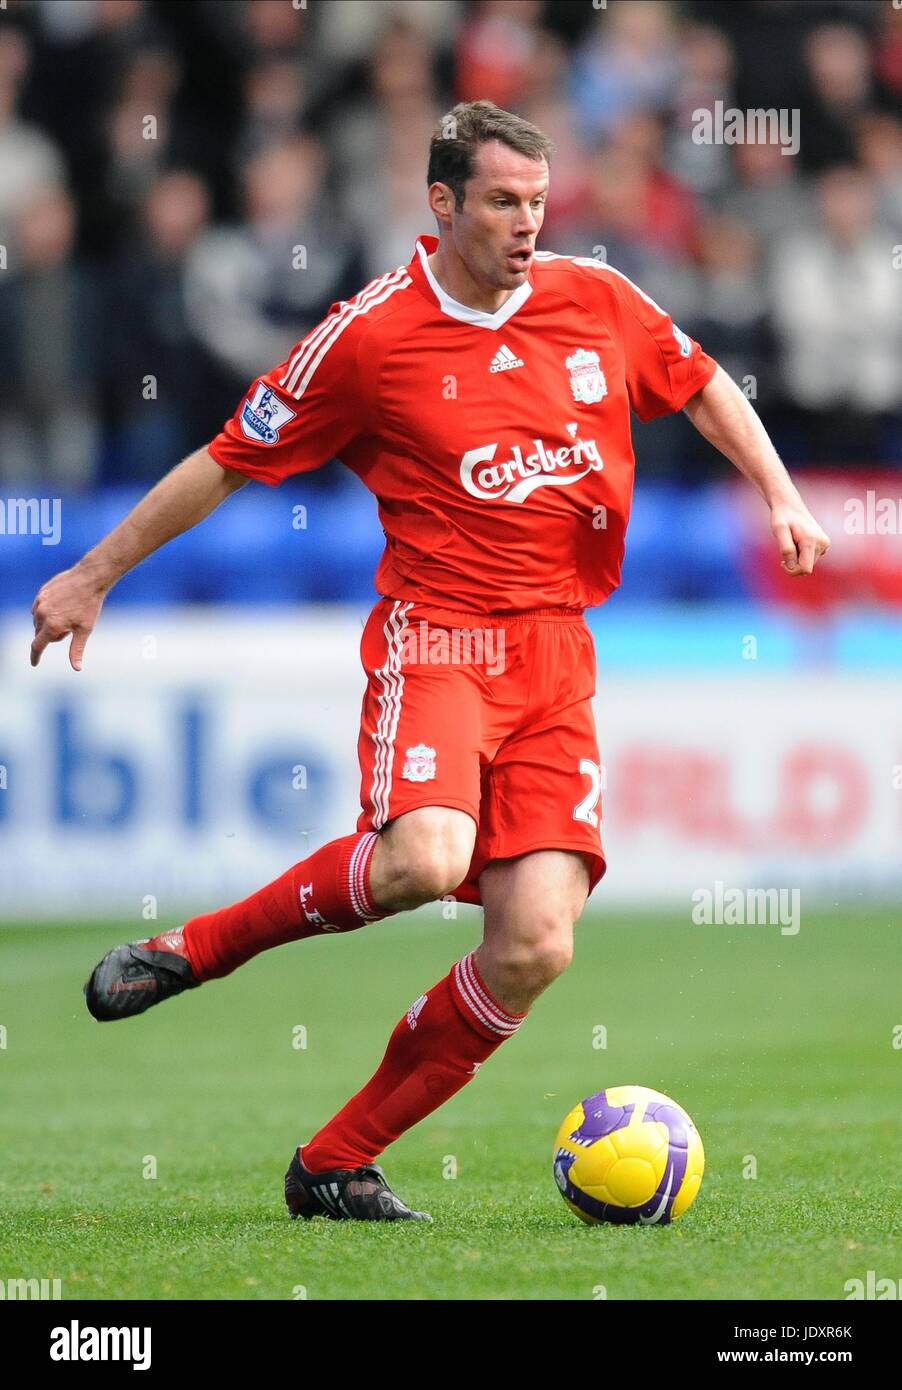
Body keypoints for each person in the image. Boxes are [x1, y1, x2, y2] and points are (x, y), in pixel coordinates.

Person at [30, 101, 830, 1224]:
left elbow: (697, 381)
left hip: (557, 649)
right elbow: (226, 457)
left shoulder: (593, 298)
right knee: (420, 856)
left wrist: (781, 493)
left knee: (536, 941)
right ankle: (195, 949)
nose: (526, 224)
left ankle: (333, 1163)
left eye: (538, 203)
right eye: (502, 202)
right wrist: (92, 572)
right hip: (440, 634)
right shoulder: (371, 335)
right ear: (443, 202)